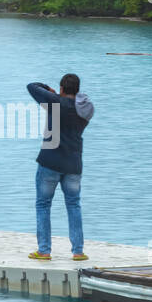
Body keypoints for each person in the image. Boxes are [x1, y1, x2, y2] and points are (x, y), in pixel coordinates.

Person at [26, 73, 94, 261]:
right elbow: (77, 101)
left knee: (43, 205)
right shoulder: (86, 109)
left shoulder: (54, 102)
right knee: (74, 205)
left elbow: (31, 86)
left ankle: (44, 250)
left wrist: (49, 89)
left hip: (50, 161)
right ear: (77, 90)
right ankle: (78, 251)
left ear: (62, 88)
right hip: (74, 164)